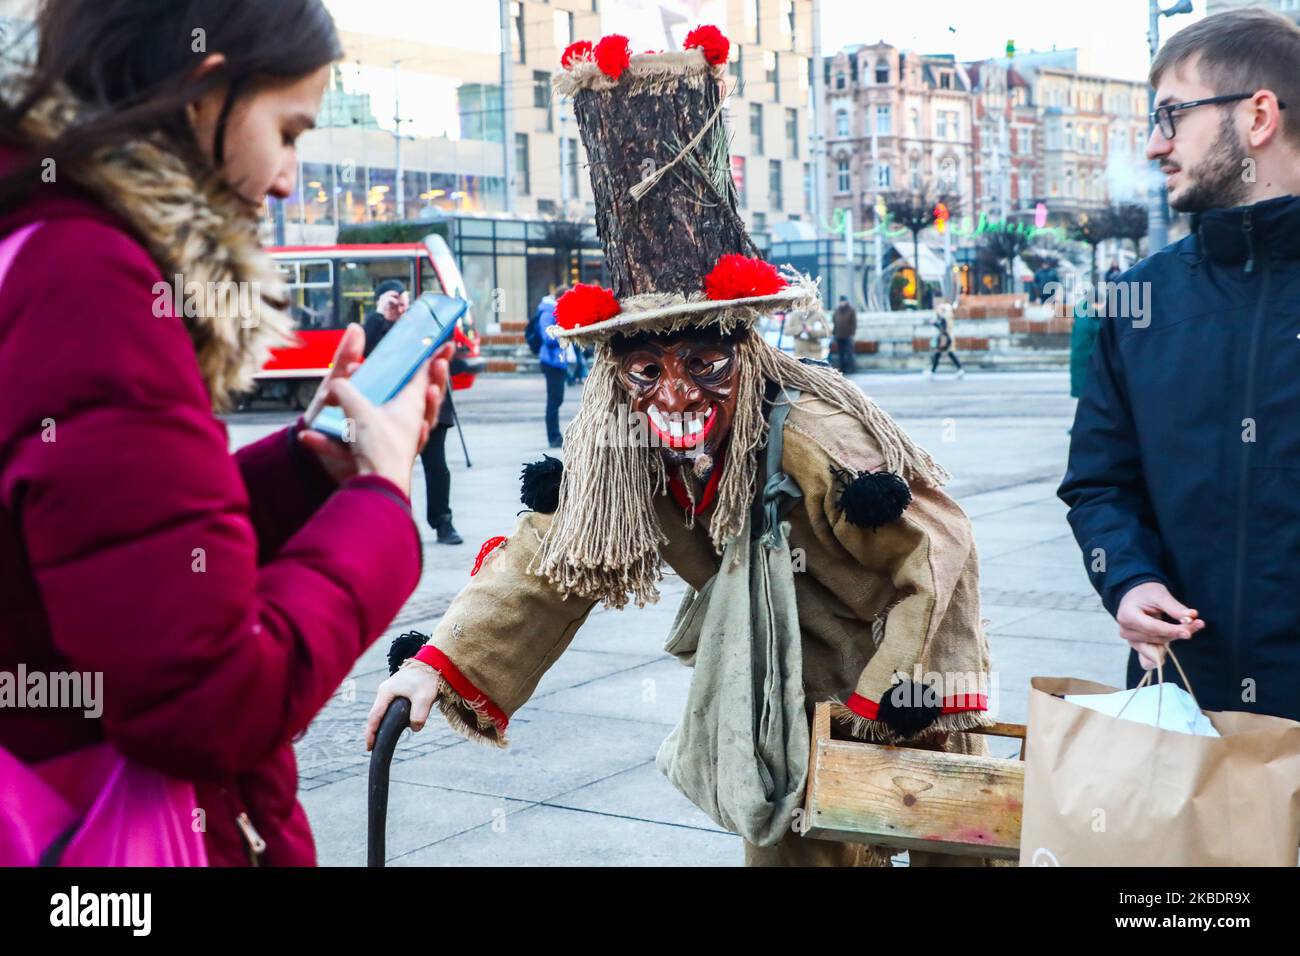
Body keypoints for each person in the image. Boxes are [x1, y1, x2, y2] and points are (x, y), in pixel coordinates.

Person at [369, 29, 994, 868]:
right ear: (613, 371)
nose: (674, 394)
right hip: (780, 705)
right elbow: (551, 554)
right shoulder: (628, 447)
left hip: (898, 684)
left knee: (953, 848)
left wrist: (893, 694)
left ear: (745, 347)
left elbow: (939, 546)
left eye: (704, 364)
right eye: (645, 368)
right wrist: (436, 668)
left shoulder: (814, 437)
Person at [0, 0, 450, 866]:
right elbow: (206, 701)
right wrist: (381, 499)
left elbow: (109, 552)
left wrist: (311, 469)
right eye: (288, 131)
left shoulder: (40, 232)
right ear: (206, 92)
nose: (287, 179)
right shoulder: (89, 278)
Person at [1059, 8, 1300, 723]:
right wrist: (1129, 584)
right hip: (1186, 724)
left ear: (1258, 116)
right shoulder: (1140, 299)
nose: (1157, 145)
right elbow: (1100, 484)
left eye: (1173, 115)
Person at [363, 279, 461, 544]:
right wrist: (382, 315)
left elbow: (447, 343)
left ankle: (443, 522)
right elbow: (366, 351)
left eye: (404, 300)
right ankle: (395, 524)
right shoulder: (376, 326)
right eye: (392, 302)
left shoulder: (422, 322)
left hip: (432, 409)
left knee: (437, 468)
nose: (400, 307)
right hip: (393, 412)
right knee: (396, 469)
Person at [536, 286, 569, 448]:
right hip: (551, 361)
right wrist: (566, 334)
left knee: (557, 398)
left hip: (557, 361)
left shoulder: (554, 312)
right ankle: (554, 436)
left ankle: (555, 435)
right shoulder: (548, 312)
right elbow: (547, 337)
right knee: (554, 399)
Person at [925, 303, 964, 379]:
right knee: (946, 354)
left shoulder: (944, 318)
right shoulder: (947, 317)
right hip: (947, 338)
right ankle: (959, 369)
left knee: (941, 354)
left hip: (945, 339)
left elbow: (943, 328)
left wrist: (934, 323)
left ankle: (932, 372)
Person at [831, 294, 857, 373]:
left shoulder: (851, 310)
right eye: (841, 301)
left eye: (843, 301)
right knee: (841, 353)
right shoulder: (837, 310)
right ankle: (842, 368)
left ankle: (851, 368)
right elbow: (834, 322)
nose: (842, 303)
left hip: (848, 335)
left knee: (849, 353)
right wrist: (834, 333)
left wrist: (852, 333)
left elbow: (854, 323)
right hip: (839, 335)